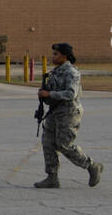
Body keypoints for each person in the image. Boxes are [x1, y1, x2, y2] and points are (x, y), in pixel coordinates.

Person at [35, 42, 103, 188]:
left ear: (64, 56)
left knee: (64, 145)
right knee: (47, 142)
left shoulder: (71, 72)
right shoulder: (56, 71)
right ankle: (52, 177)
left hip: (68, 112)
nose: (53, 57)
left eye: (56, 54)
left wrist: (50, 93)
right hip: (55, 112)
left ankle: (92, 166)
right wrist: (44, 94)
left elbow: (71, 93)